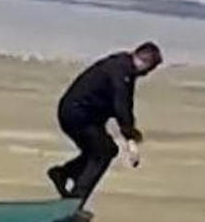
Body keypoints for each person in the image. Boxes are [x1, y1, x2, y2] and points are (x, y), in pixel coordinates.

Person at [46, 41, 162, 203]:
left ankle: (63, 173)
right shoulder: (121, 71)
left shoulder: (122, 67)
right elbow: (121, 104)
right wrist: (130, 138)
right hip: (77, 115)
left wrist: (129, 135)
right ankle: (76, 199)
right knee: (102, 153)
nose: (147, 74)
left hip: (79, 114)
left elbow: (124, 105)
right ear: (145, 62)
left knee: (103, 149)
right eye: (150, 69)